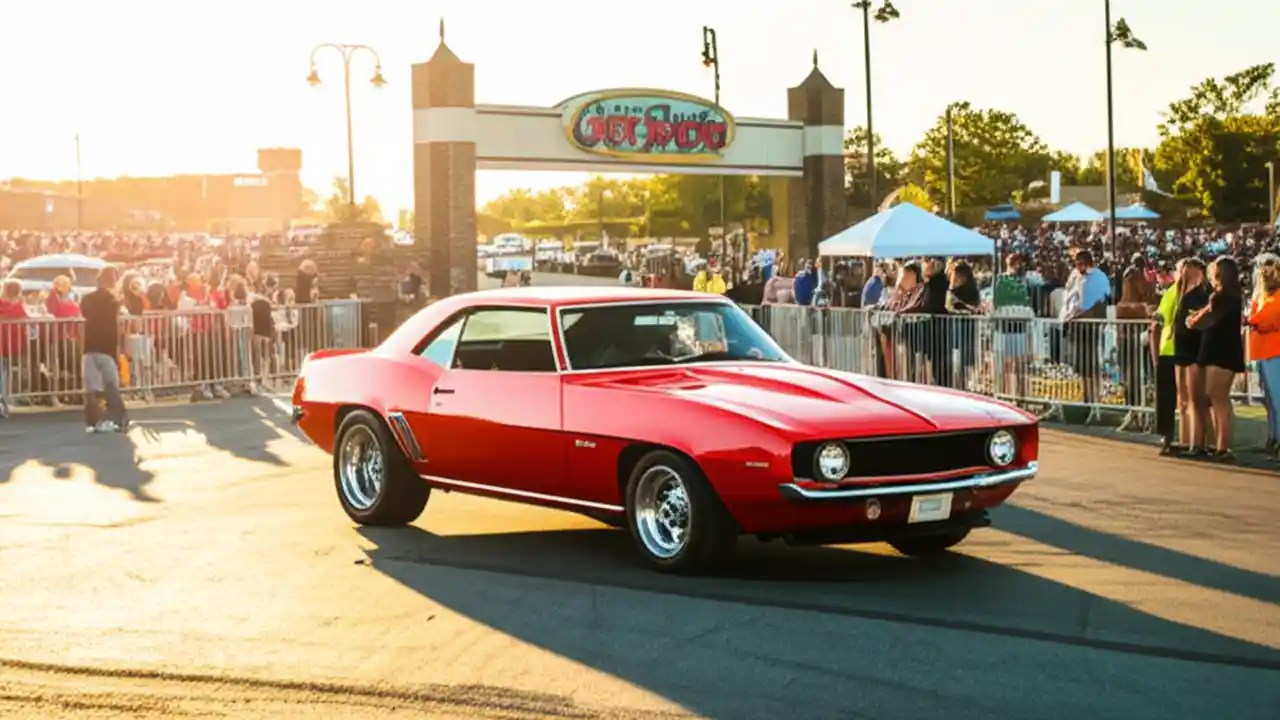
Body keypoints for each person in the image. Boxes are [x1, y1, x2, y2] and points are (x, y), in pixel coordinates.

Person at [1188, 256, 1245, 462]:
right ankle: (1219, 444)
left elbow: (1206, 319)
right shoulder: (1234, 297)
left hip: (1219, 351)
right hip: (1226, 350)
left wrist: (1193, 319)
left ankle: (1222, 445)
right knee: (1217, 398)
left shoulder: (1220, 297)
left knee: (1217, 397)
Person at [79, 265, 127, 433]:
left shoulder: (86, 299)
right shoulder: (113, 301)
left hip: (90, 346)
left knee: (92, 388)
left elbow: (84, 314)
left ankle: (93, 422)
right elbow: (114, 327)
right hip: (107, 347)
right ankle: (118, 420)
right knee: (111, 386)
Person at [1172, 258, 1210, 456]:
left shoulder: (1202, 296)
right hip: (1181, 351)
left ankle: (1197, 443)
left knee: (1195, 400)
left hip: (1194, 351)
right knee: (1182, 400)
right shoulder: (1181, 296)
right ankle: (1185, 439)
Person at [1247, 253, 1280, 457]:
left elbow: (1270, 317)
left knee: (1278, 399)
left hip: (1276, 350)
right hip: (1262, 351)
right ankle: (1273, 437)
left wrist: (1256, 321)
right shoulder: (1259, 296)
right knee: (1269, 400)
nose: (1264, 271)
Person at [1151, 259, 1185, 455]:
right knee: (1173, 398)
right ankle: (1169, 438)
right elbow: (1156, 324)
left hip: (1175, 351)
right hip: (1173, 351)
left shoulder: (1174, 293)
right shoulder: (1173, 294)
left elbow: (1156, 324)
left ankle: (1171, 438)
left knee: (1174, 398)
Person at [0, 279, 26, 418]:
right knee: (7, 372)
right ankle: (7, 399)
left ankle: (6, 400)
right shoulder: (17, 306)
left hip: (9, 344)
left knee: (5, 372)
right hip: (10, 344)